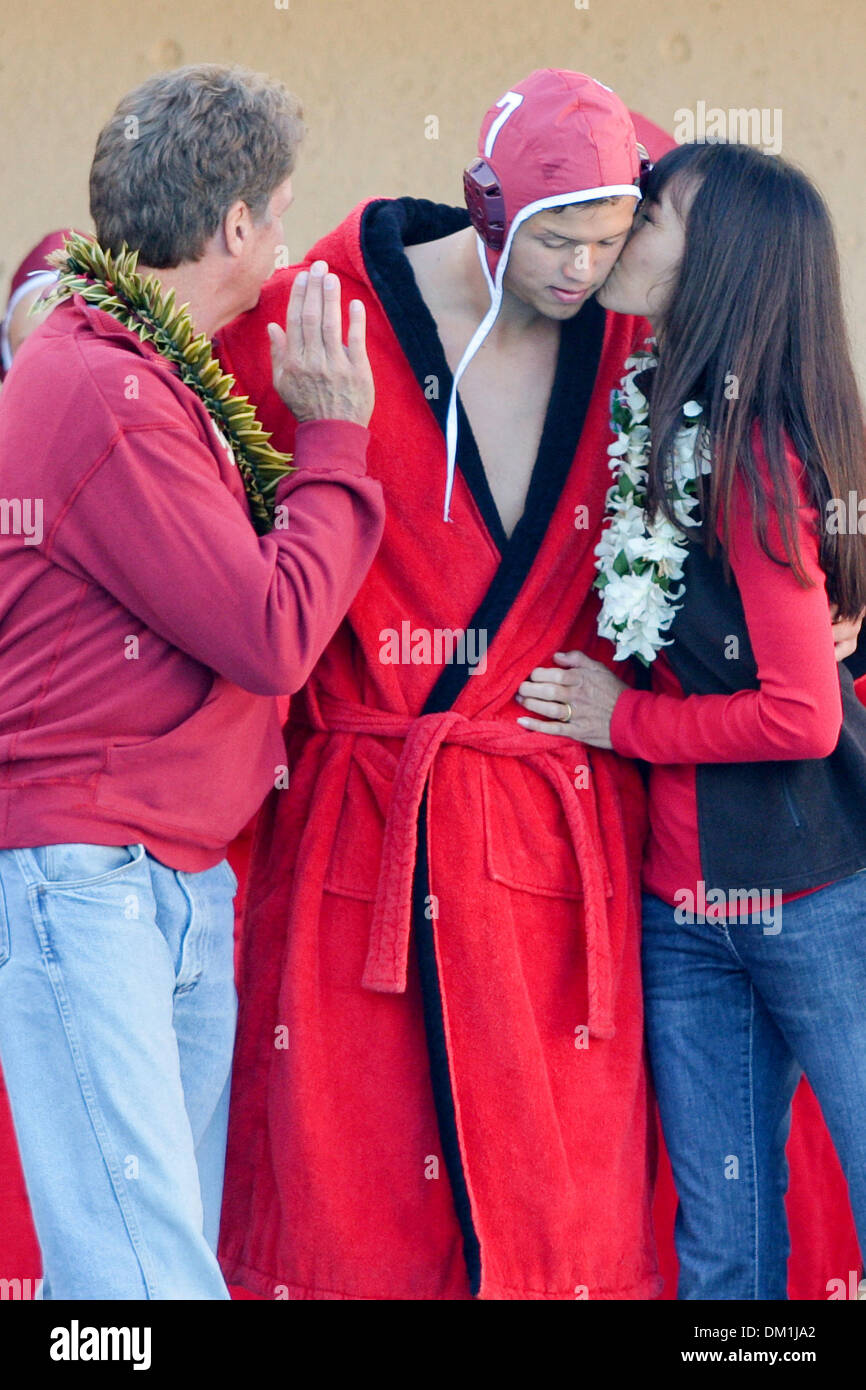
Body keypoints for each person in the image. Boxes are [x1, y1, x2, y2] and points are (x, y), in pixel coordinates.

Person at [210, 68, 681, 1302]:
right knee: (348, 1179)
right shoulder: (323, 312)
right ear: (486, 206)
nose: (583, 270)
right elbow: (199, 553)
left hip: (551, 835)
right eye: (557, 240)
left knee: (556, 1198)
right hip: (360, 828)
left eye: (607, 239)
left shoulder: (635, 334)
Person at [0, 63, 384, 1300]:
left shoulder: (142, 369)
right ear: (234, 226)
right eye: (277, 215)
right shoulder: (105, 384)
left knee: (114, 1278)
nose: (282, 240)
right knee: (143, 1282)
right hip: (90, 874)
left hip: (157, 875)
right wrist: (333, 436)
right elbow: (271, 631)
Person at [514, 140, 866, 1299]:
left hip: (812, 894)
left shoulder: (751, 446)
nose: (618, 237)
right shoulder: (658, 412)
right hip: (684, 902)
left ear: (708, 260)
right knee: (722, 1241)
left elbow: (802, 716)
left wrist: (623, 723)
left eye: (646, 215)